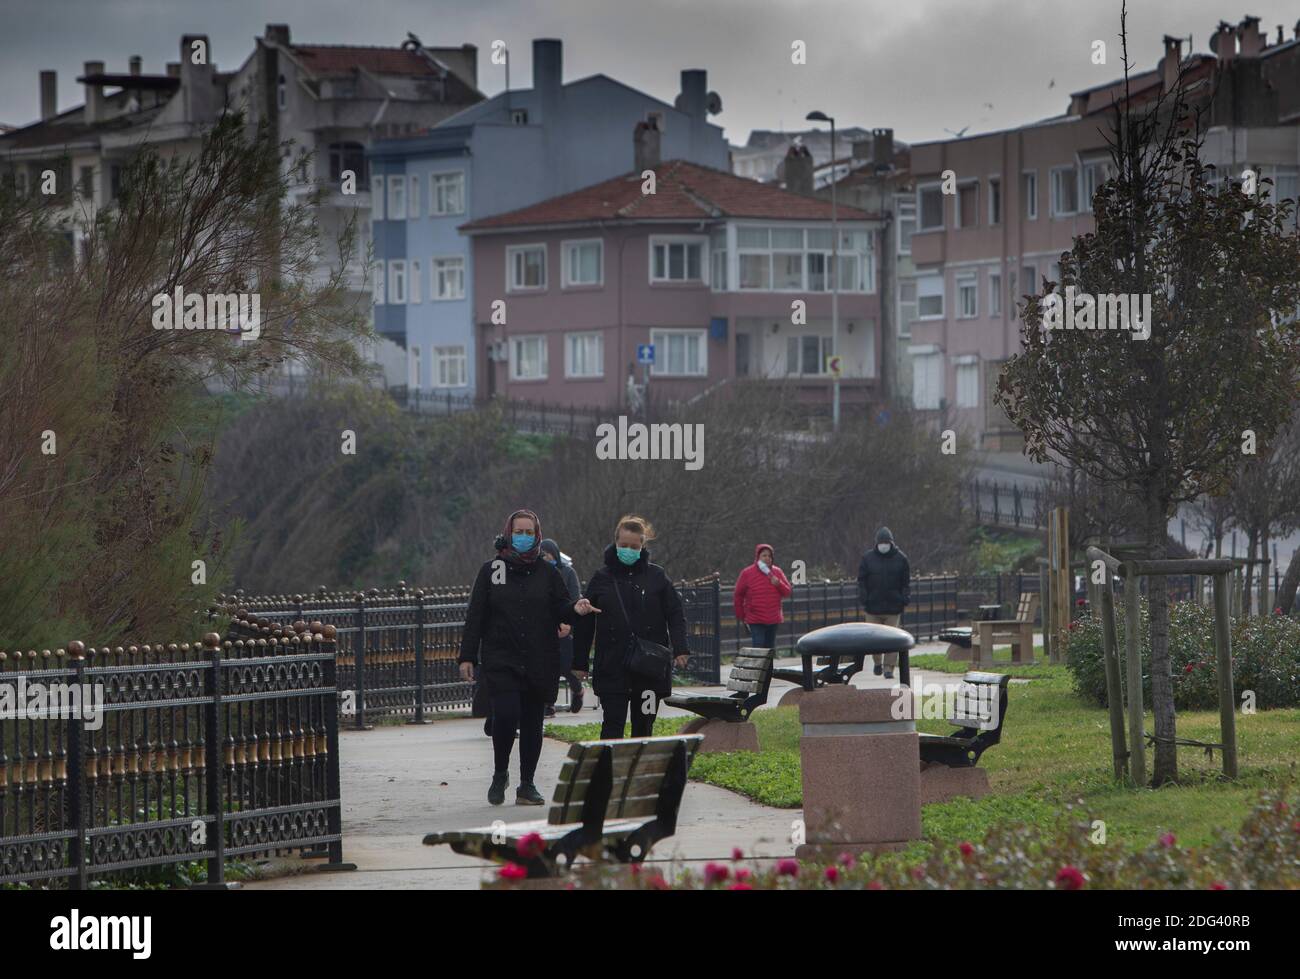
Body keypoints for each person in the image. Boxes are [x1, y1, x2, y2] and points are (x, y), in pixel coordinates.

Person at [458, 509, 599, 805]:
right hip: (501, 656)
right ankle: (500, 773)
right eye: (518, 532)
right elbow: (476, 615)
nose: (523, 537)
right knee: (506, 715)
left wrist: (577, 609)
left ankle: (527, 784)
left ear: (537, 536)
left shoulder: (548, 573)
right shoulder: (492, 570)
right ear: (508, 534)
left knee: (534, 722)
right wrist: (467, 656)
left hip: (538, 657)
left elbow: (562, 607)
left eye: (529, 532)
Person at [573, 515, 689, 739]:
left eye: (634, 546)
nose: (628, 550)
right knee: (612, 726)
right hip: (612, 667)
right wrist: (580, 662)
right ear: (615, 544)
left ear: (642, 546)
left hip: (648, 670)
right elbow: (585, 622)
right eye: (623, 545)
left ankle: (637, 772)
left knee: (644, 727)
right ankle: (609, 772)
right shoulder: (601, 578)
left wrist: (681, 648)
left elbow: (675, 613)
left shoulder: (657, 577)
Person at [856, 526, 911, 679]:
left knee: (892, 640)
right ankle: (877, 662)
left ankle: (889, 668)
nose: (884, 545)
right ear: (877, 543)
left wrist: (904, 598)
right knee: (874, 638)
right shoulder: (867, 558)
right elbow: (862, 581)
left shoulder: (901, 559)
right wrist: (864, 598)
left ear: (891, 542)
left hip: (893, 607)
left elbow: (905, 583)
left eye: (886, 542)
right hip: (872, 607)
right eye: (881, 542)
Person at [539, 537, 585, 716]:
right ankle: (548, 703)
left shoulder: (567, 573)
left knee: (566, 666)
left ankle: (578, 690)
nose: (545, 558)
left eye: (548, 554)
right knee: (547, 667)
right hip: (545, 627)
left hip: (563, 626)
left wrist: (568, 623)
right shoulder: (539, 573)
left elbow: (574, 598)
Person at [732, 543, 792, 650]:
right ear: (758, 556)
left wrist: (778, 584)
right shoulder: (747, 573)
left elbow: (787, 592)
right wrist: (741, 615)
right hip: (756, 617)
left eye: (769, 556)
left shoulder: (777, 572)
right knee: (758, 647)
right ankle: (760, 667)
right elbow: (738, 594)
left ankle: (769, 667)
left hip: (773, 617)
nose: (767, 558)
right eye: (764, 555)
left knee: (770, 648)